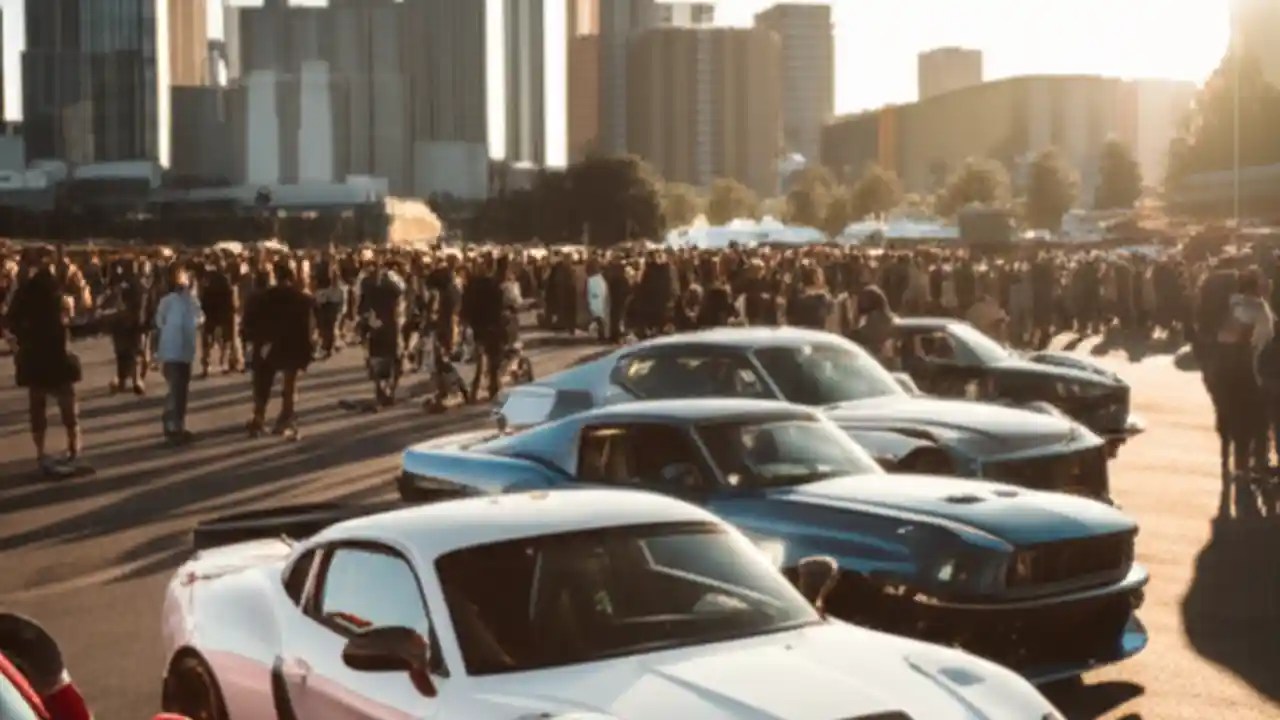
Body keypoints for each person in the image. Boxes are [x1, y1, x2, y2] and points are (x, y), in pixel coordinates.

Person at [5, 247, 85, 477]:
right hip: (57, 353)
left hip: (35, 355)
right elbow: (77, 313)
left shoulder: (25, 290)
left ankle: (42, 452)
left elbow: (10, 321)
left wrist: (19, 342)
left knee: (38, 408)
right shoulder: (57, 289)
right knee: (67, 406)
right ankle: (73, 448)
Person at [243, 262, 314, 440]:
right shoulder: (303, 298)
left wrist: (250, 341)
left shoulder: (260, 297)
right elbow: (309, 327)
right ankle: (284, 420)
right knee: (289, 386)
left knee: (262, 383)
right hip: (292, 346)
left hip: (266, 344)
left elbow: (249, 322)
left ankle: (258, 417)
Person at [155, 265, 202, 445]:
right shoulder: (170, 301)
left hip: (183, 352)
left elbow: (199, 317)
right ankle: (172, 425)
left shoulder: (190, 301)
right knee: (176, 390)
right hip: (174, 352)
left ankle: (178, 425)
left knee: (181, 391)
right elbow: (159, 321)